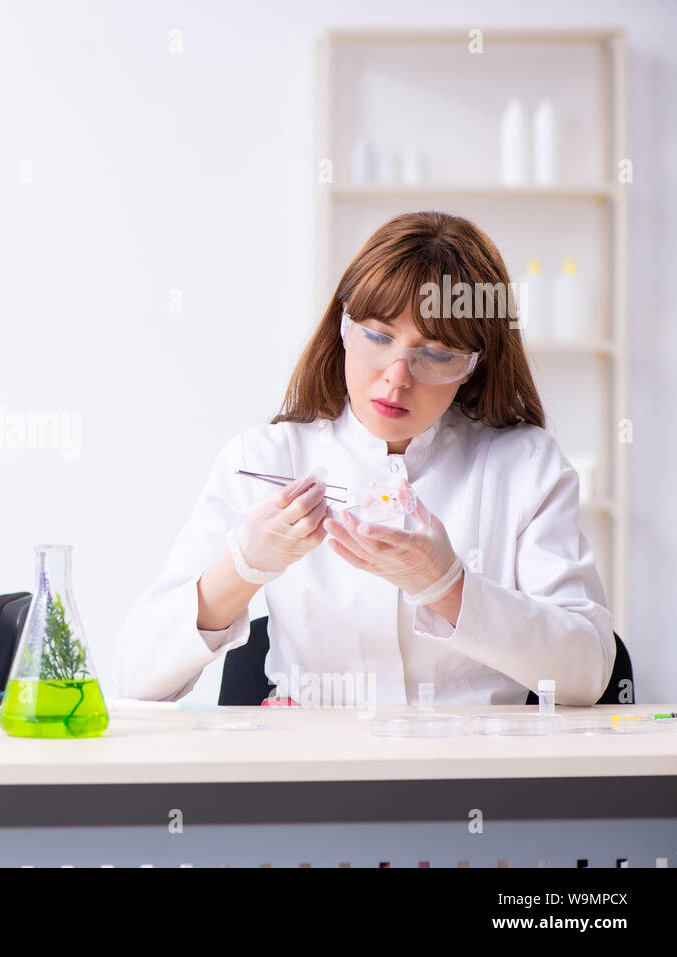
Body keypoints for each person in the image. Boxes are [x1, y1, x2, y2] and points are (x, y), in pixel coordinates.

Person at [114, 211, 614, 707]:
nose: (397, 377)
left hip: (472, 772)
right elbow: (138, 676)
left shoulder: (524, 466)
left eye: (436, 354)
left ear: (474, 368)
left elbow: (587, 672)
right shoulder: (265, 457)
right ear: (343, 325)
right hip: (316, 773)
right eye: (377, 336)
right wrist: (243, 567)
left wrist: (448, 587)